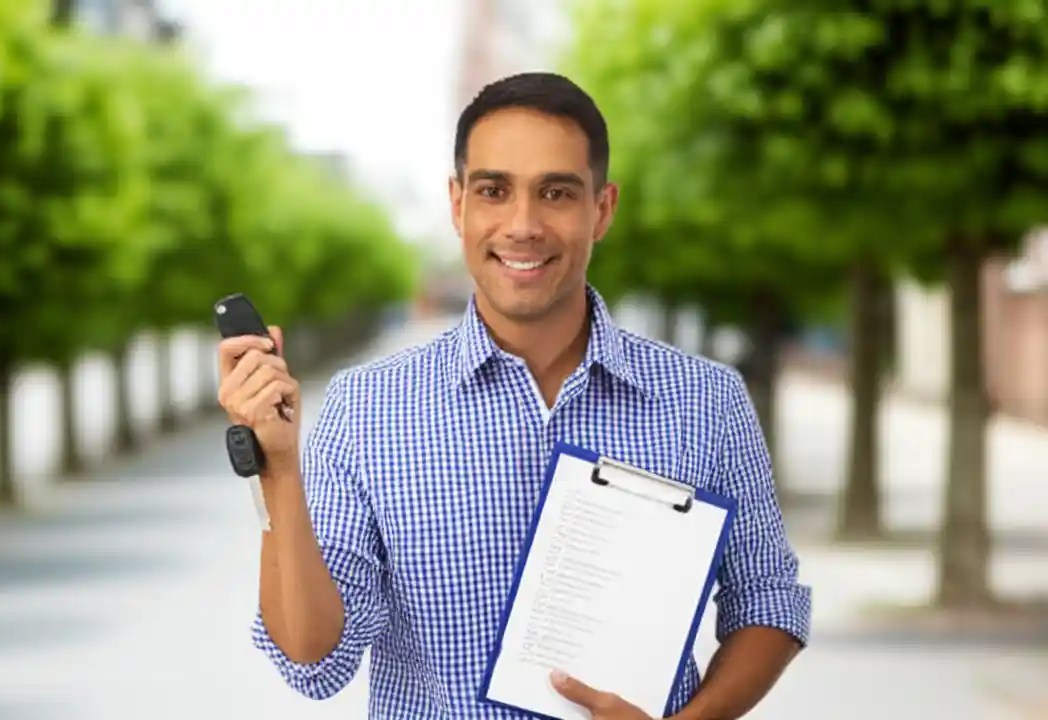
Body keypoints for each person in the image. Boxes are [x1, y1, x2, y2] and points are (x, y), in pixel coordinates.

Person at [216, 71, 811, 720]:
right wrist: (278, 470)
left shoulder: (708, 402)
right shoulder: (368, 408)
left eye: (556, 192)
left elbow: (768, 604)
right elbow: (313, 659)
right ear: (458, 206)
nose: (523, 225)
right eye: (494, 191)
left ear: (602, 209)